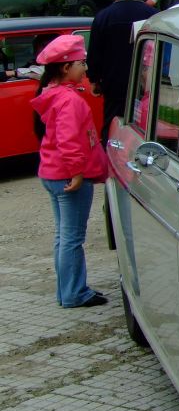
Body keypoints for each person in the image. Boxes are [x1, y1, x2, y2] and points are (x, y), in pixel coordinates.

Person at [30, 34, 109, 308]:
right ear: (65, 67)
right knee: (72, 238)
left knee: (63, 236)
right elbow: (69, 140)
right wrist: (77, 172)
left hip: (51, 173)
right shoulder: (70, 100)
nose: (85, 68)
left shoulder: (50, 93)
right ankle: (76, 293)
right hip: (69, 176)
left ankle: (67, 291)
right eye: (81, 63)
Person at [87, 0, 156, 141]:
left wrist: (94, 80)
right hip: (145, 83)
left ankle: (112, 157)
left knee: (112, 124)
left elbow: (95, 52)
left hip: (114, 83)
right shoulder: (152, 14)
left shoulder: (103, 17)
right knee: (145, 124)